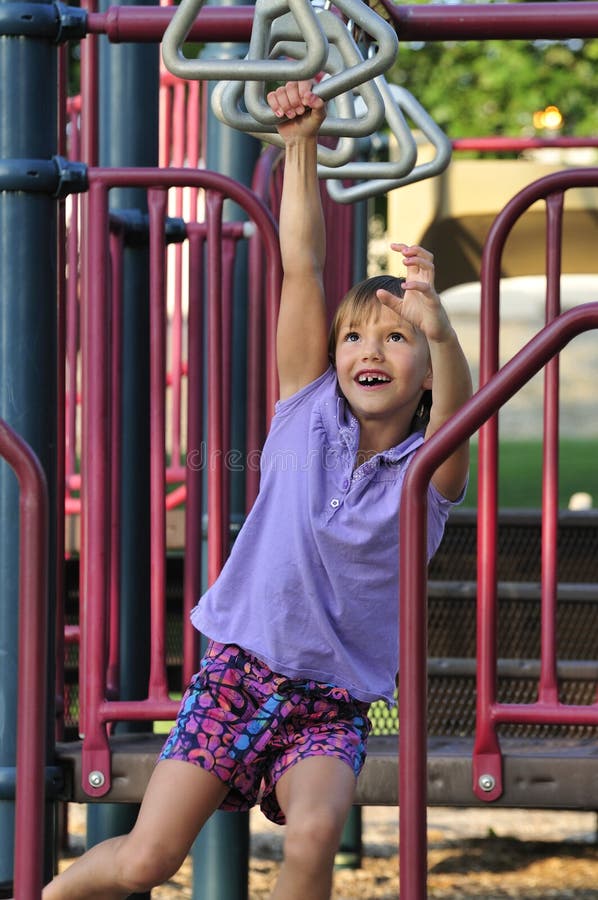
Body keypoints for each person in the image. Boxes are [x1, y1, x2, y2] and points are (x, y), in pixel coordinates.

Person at [44, 81, 472, 900]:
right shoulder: (306, 407)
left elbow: (460, 405)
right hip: (238, 674)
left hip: (331, 708)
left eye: (394, 337)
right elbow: (301, 262)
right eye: (354, 336)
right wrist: (300, 146)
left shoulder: (429, 470)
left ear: (422, 373)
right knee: (146, 861)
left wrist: (443, 329)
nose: (366, 350)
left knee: (312, 837)